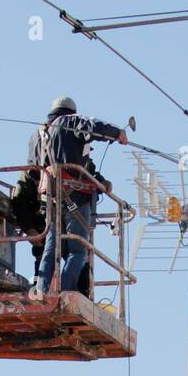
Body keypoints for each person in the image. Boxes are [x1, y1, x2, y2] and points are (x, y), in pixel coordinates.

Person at [28, 96, 127, 297]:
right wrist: (118, 133)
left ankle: (42, 291)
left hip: (48, 196)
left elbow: (32, 172)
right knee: (78, 250)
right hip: (74, 195)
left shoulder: (37, 135)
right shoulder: (69, 122)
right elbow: (92, 126)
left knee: (51, 246)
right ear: (70, 112)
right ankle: (67, 292)